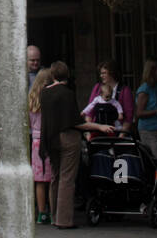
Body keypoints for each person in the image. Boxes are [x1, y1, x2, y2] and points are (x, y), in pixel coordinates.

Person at [39, 61, 115, 228]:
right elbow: (76, 122)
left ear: (53, 75)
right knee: (67, 178)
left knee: (55, 176)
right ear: (67, 75)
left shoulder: (44, 93)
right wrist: (99, 126)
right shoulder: (67, 94)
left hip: (50, 138)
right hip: (67, 137)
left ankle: (54, 216)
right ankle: (64, 220)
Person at [135, 60, 157, 179]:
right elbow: (139, 113)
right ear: (153, 71)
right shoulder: (145, 89)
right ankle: (155, 184)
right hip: (149, 129)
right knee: (155, 159)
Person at [28, 67, 53, 224]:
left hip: (35, 140)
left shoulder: (31, 98)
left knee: (39, 179)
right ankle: (53, 211)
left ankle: (41, 212)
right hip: (48, 139)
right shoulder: (48, 98)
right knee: (51, 178)